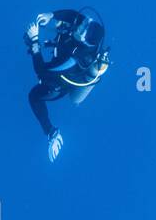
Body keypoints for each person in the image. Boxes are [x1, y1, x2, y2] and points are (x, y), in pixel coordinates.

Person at [24, 8, 110, 162]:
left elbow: (42, 72)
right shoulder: (92, 31)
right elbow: (74, 16)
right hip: (61, 60)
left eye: (85, 31)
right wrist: (52, 15)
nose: (81, 29)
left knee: (34, 96)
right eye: (84, 25)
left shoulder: (75, 59)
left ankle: (52, 132)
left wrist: (35, 42)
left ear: (87, 42)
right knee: (65, 28)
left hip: (59, 84)